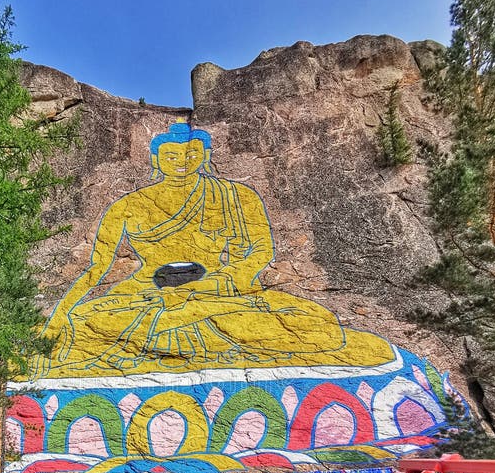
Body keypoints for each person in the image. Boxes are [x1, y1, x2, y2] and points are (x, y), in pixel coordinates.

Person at [31, 121, 394, 378]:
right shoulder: (128, 205)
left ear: (203, 156)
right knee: (87, 322)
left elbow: (260, 251)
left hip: (217, 290)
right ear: (156, 159)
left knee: (320, 326)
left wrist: (212, 285)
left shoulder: (236, 195)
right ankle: (176, 337)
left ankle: (177, 337)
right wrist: (60, 314)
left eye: (191, 154)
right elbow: (97, 268)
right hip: (146, 292)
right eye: (171, 155)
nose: (181, 162)